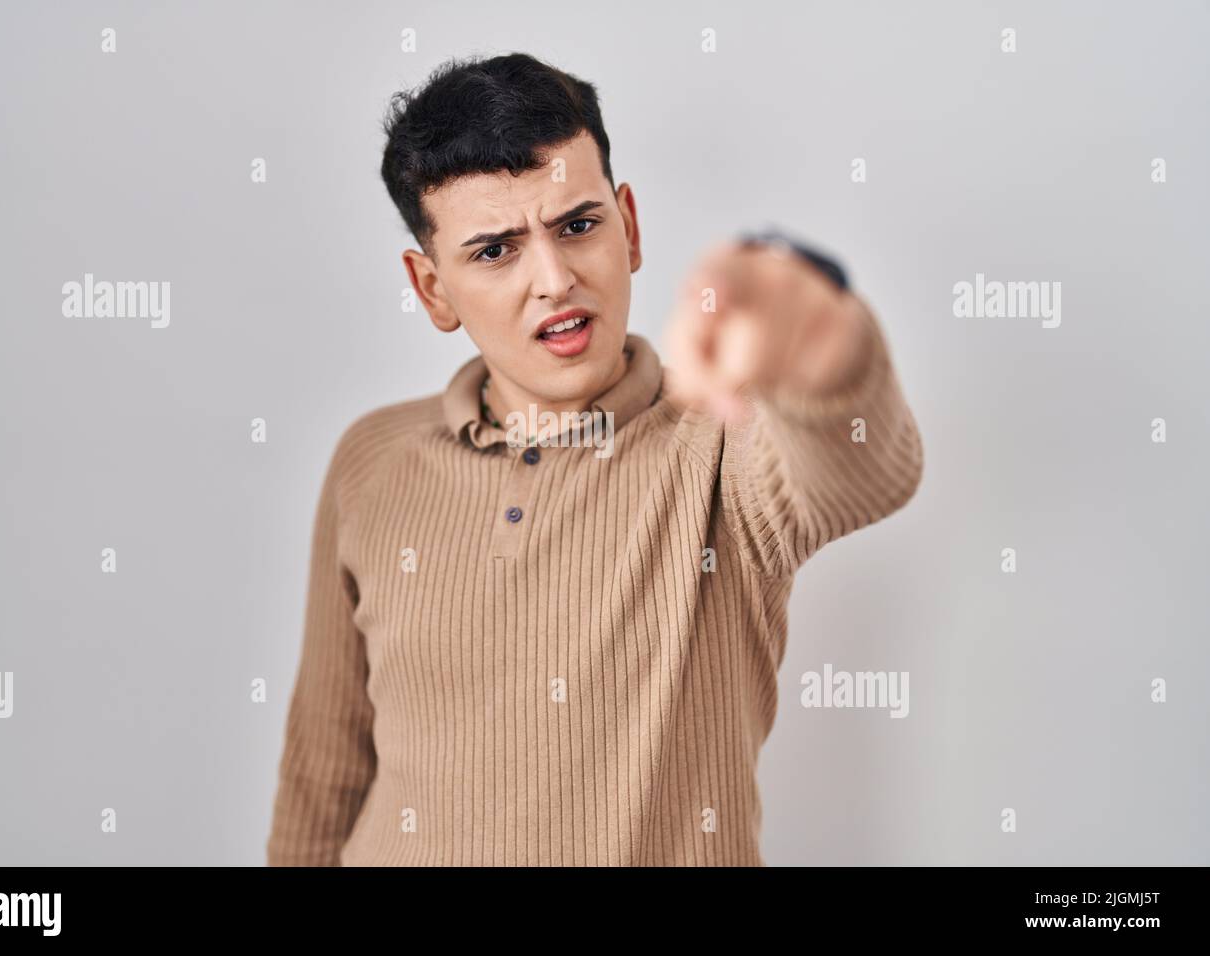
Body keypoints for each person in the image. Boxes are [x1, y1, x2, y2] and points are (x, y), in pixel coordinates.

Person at [266, 52, 924, 866]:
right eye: (495, 251)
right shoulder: (371, 460)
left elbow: (864, 470)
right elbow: (324, 772)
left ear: (630, 227)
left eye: (577, 226)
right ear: (432, 289)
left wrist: (824, 347)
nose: (555, 279)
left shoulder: (724, 445)